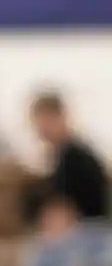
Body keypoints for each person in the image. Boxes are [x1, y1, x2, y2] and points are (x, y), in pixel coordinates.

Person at [30, 91, 109, 222]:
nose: (42, 130)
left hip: (87, 232)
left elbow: (62, 215)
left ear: (61, 118)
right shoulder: (65, 155)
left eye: (46, 121)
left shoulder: (74, 158)